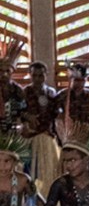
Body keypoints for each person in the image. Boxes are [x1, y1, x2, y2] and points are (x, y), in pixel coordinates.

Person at [19, 61, 59, 196]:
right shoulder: (24, 92)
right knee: (29, 172)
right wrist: (27, 117)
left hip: (47, 138)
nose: (37, 79)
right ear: (30, 76)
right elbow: (18, 112)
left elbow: (56, 115)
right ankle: (28, 205)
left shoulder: (52, 93)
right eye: (34, 75)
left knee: (47, 172)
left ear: (45, 75)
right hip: (29, 139)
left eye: (40, 75)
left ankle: (46, 202)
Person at [0, 134, 40, 206]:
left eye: (7, 161)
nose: (2, 166)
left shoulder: (23, 180)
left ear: (15, 162)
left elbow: (36, 200)